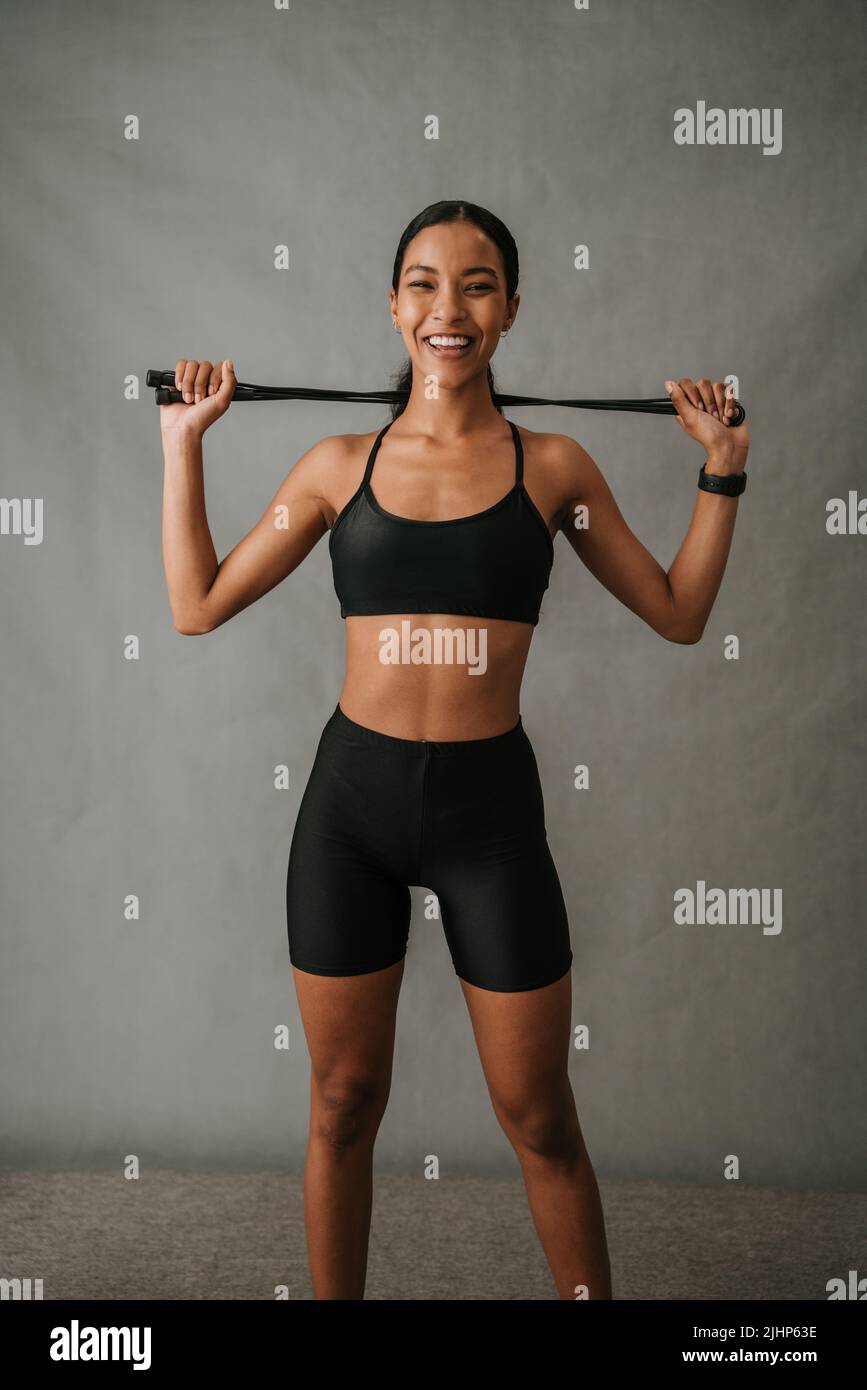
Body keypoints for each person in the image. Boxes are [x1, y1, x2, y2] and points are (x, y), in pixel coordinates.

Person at [159, 199, 749, 1301]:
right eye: (424, 282)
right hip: (352, 813)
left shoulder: (555, 469)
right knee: (340, 1104)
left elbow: (677, 612)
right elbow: (194, 605)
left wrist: (721, 472)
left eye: (478, 283)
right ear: (393, 306)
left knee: (539, 1117)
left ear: (511, 308)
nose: (449, 306)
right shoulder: (336, 466)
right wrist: (184, 445)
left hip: (489, 817)